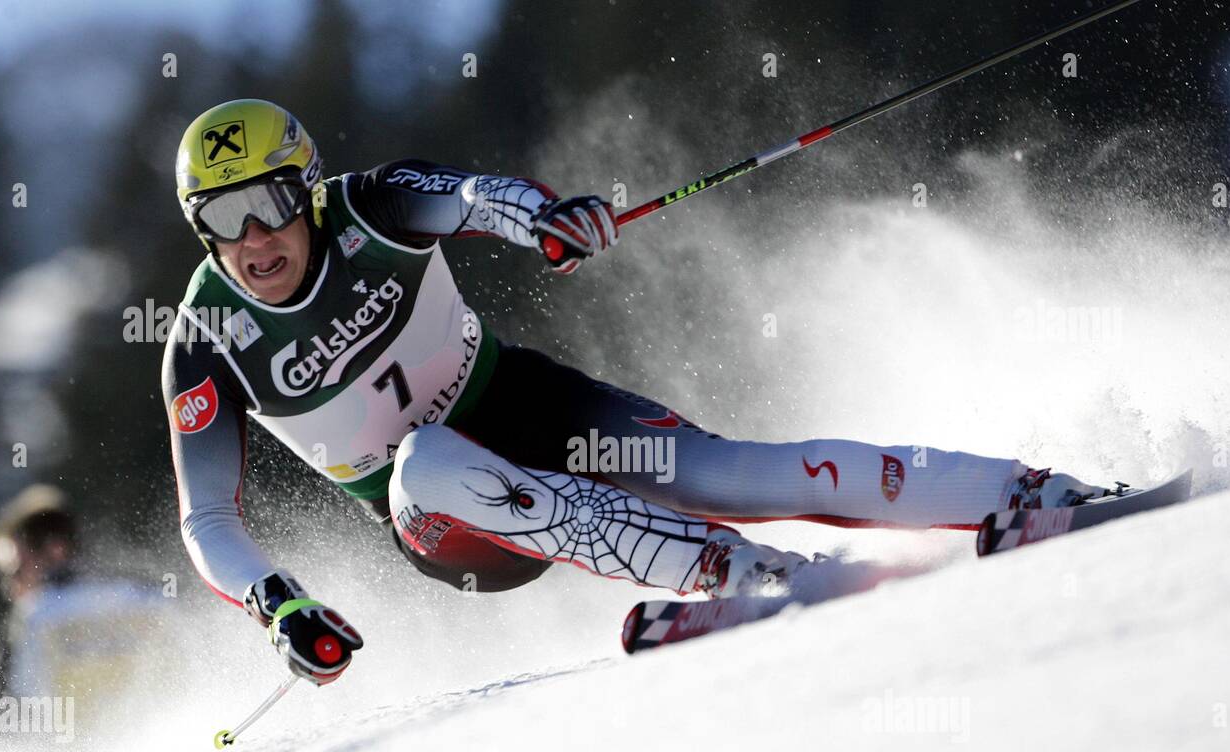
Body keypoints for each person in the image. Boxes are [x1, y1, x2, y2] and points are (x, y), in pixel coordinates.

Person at [164, 99, 1111, 686]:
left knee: (731, 470)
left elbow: (474, 196)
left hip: (527, 405)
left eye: (271, 204)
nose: (254, 238)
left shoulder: (369, 203)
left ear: (309, 190)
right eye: (222, 219)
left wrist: (547, 220)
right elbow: (206, 520)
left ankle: (1024, 493)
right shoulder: (204, 342)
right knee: (426, 460)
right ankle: (732, 574)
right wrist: (280, 604)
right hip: (450, 525)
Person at [0, 485, 163, 716]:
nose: (8, 588)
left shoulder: (30, 620)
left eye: (15, 571)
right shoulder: (149, 596)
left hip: (65, 748)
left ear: (57, 549)